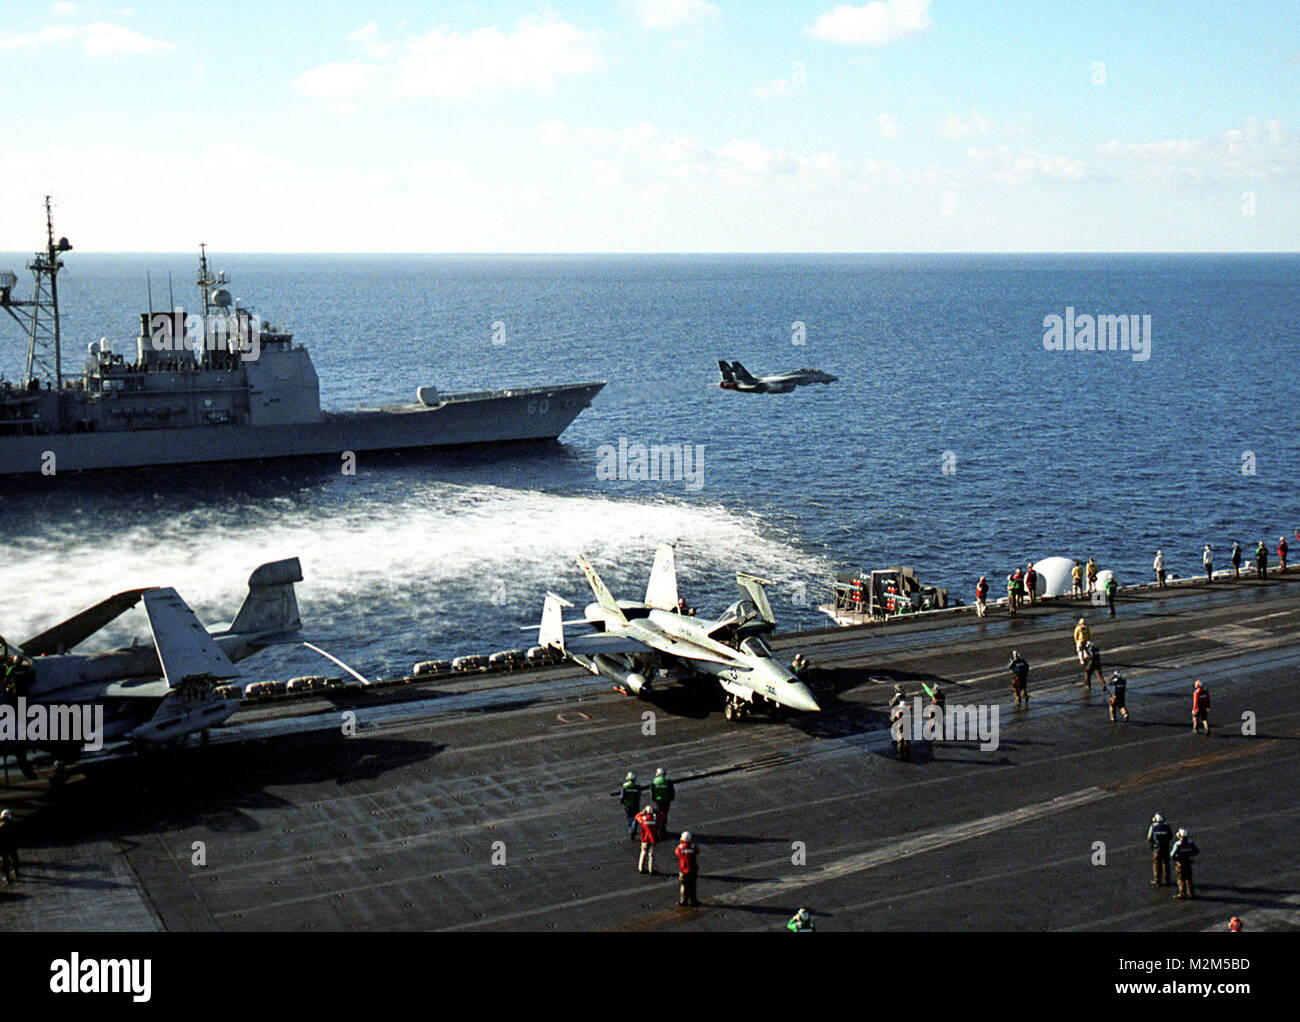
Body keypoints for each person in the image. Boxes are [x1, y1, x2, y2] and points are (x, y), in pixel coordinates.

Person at [1170, 828, 1199, 900]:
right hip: (1188, 862)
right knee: (1189, 878)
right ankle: (1191, 893)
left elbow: (1172, 855)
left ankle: (1182, 894)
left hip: (1180, 864)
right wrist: (1190, 855)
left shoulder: (1178, 844)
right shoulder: (1190, 843)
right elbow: (1196, 851)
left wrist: (1177, 859)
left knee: (1181, 878)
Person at [1147, 813, 1173, 886]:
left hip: (1157, 848)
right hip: (1166, 848)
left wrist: (1154, 844)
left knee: (1157, 864)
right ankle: (1167, 880)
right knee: (1166, 864)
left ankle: (1157, 880)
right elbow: (1170, 836)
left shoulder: (1153, 827)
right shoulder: (1167, 826)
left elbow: (1149, 837)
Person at [675, 831, 700, 907]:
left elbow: (676, 853)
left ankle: (683, 901)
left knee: (684, 887)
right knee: (693, 886)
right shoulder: (693, 846)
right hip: (693, 870)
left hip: (684, 871)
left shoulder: (680, 847)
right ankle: (693, 901)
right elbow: (698, 851)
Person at [635, 804, 661, 874]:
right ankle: (651, 869)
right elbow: (663, 817)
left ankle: (641, 868)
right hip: (653, 838)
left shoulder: (643, 819)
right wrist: (657, 812)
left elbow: (637, 816)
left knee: (643, 852)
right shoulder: (655, 819)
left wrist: (642, 812)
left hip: (645, 839)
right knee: (651, 854)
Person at [620, 772, 643, 839]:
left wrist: (622, 801)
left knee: (629, 817)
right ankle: (634, 828)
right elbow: (639, 794)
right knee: (636, 817)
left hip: (628, 804)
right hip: (635, 804)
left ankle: (631, 829)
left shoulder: (625, 786)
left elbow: (622, 796)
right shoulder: (637, 786)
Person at [0, 809, 18, 885]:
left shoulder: (1, 826)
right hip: (11, 845)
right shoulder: (13, 825)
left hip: (3, 846)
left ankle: (7, 877)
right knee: (13, 858)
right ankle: (15, 872)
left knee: (4, 861)